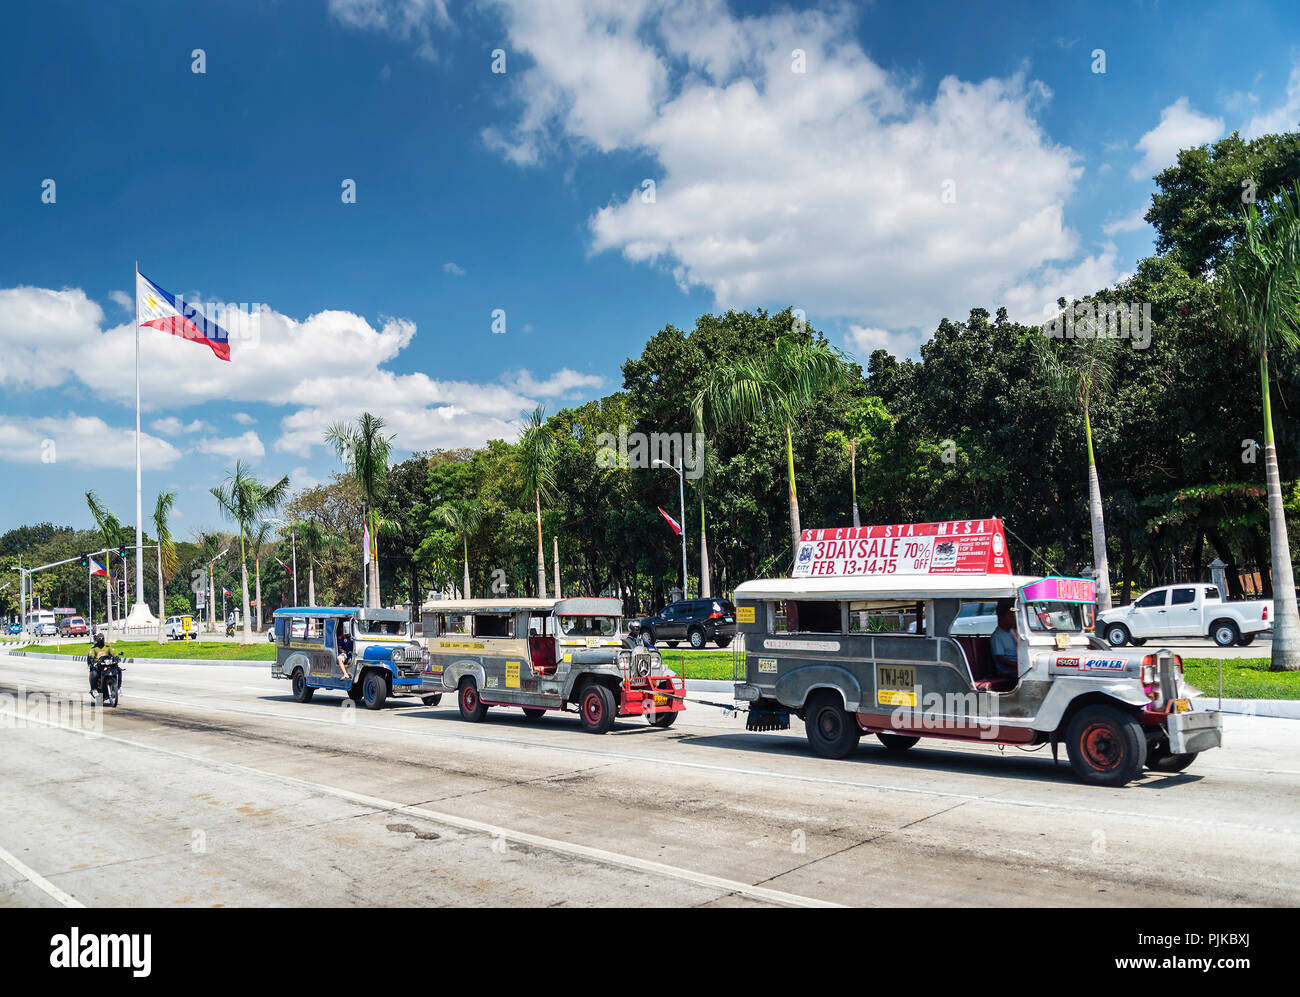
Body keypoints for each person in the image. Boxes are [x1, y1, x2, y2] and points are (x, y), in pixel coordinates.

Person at [989, 599, 1019, 682]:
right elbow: (1001, 660)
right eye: (1011, 616)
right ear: (1002, 617)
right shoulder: (997, 636)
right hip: (1007, 671)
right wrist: (1019, 665)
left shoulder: (1013, 632)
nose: (1014, 619)